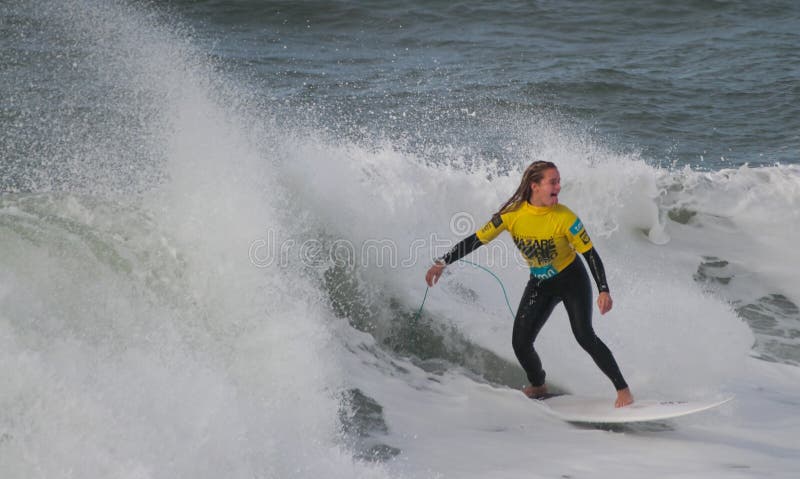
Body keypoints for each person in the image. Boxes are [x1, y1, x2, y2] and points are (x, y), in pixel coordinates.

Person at [425, 161, 634, 408]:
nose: (558, 186)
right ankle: (538, 385)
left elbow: (590, 255)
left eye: (559, 181)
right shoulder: (511, 215)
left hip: (572, 279)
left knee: (584, 336)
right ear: (535, 186)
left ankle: (623, 390)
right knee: (521, 343)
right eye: (553, 182)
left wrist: (603, 289)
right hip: (540, 283)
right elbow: (477, 240)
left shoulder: (565, 218)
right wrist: (443, 261)